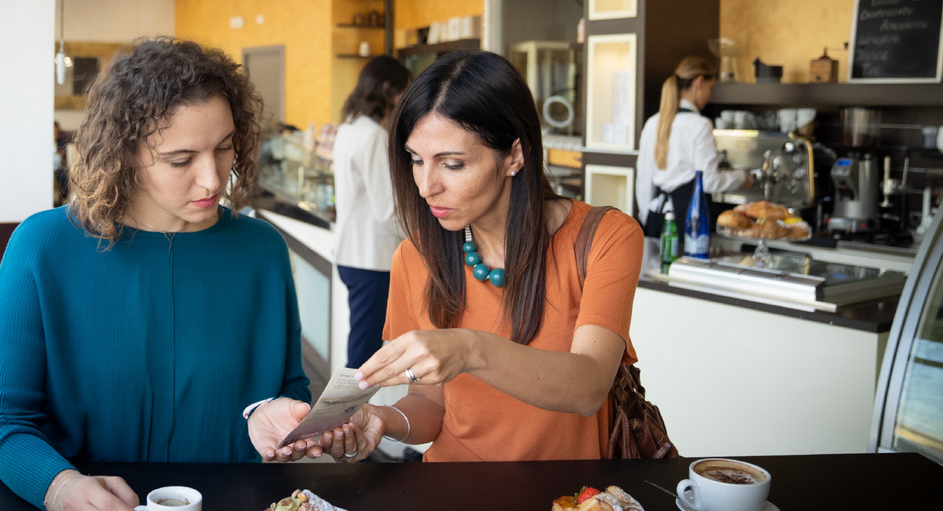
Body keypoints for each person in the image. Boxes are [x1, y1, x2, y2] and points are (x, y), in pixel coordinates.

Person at [0, 37, 312, 511]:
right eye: (181, 159)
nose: (212, 179)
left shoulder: (261, 250)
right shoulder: (42, 247)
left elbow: (289, 386)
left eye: (224, 147)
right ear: (125, 153)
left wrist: (282, 416)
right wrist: (59, 489)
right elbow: (4, 420)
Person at [253, 51, 644, 464]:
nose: (426, 186)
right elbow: (430, 404)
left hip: (573, 498)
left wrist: (469, 349)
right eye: (416, 160)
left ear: (515, 154)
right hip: (449, 489)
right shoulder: (416, 256)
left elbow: (588, 387)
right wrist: (383, 419)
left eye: (453, 164)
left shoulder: (604, 237)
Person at [635, 56, 753, 264]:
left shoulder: (653, 122)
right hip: (687, 220)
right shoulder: (700, 125)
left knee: (655, 276)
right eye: (710, 88)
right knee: (686, 275)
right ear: (699, 82)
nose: (709, 95)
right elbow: (709, 180)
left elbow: (643, 182)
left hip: (656, 216)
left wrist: (650, 218)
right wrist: (742, 178)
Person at [333, 56, 411, 368]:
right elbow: (387, 210)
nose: (404, 98)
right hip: (370, 261)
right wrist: (422, 236)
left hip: (352, 256)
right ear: (387, 88)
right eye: (403, 90)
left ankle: (349, 400)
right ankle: (345, 402)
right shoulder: (373, 135)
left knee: (362, 349)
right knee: (364, 358)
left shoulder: (350, 127)